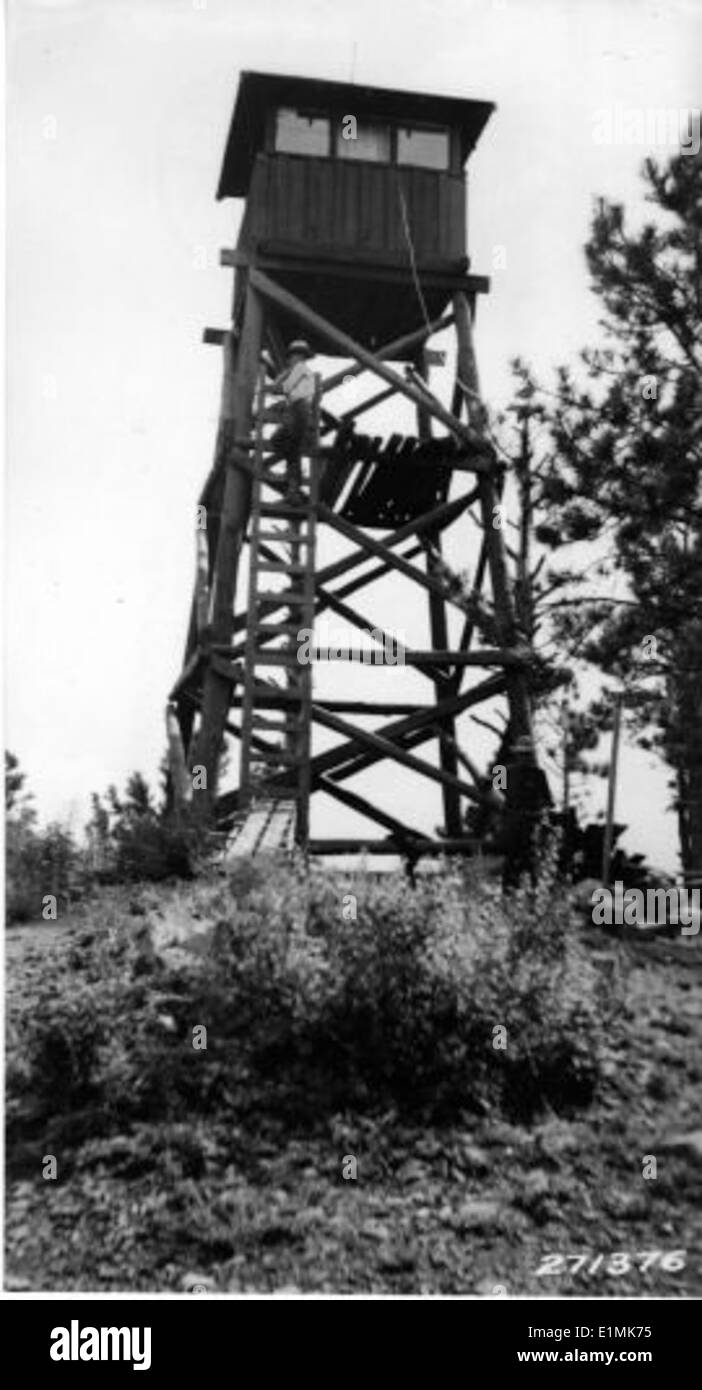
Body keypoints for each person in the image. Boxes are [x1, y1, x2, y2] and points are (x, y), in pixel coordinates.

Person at [267, 339, 315, 499]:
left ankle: (293, 486)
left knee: (283, 443)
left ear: (300, 357)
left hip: (298, 411)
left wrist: (284, 374)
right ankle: (293, 487)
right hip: (299, 412)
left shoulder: (300, 369)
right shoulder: (303, 371)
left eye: (295, 356)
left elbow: (278, 388)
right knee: (290, 448)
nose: (292, 359)